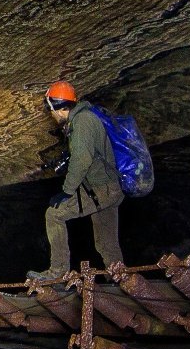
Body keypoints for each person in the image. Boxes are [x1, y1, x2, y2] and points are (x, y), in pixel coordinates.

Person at [28, 81, 124, 280]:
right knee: (106, 242)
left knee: (54, 215)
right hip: (111, 187)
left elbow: (82, 160)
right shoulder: (84, 117)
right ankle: (120, 278)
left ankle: (58, 272)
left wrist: (67, 191)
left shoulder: (82, 122)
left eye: (50, 110)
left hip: (101, 189)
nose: (51, 115)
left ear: (58, 107)